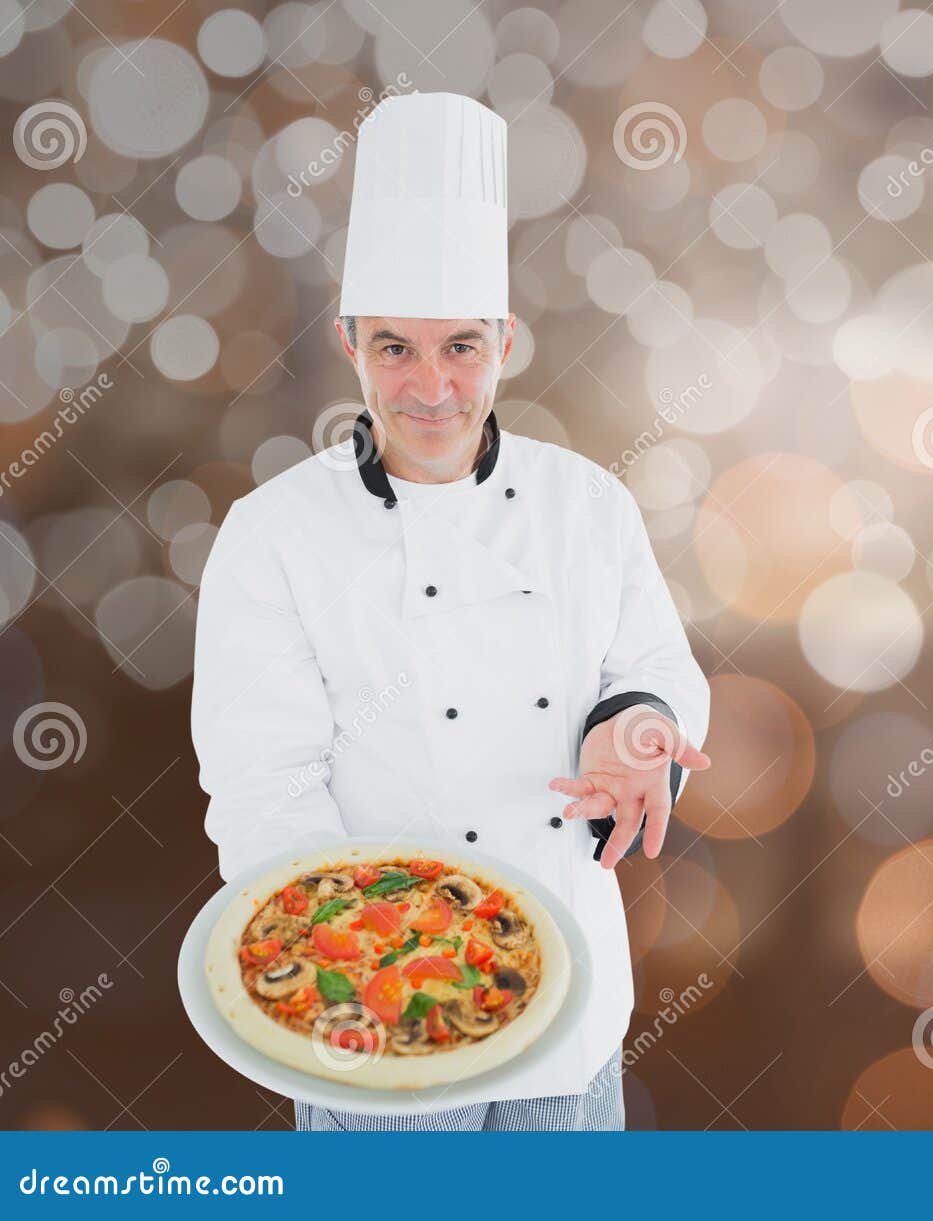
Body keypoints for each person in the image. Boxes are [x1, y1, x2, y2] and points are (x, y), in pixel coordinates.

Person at [190, 91, 711, 1131]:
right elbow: (261, 783)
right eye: (395, 349)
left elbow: (654, 667)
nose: (430, 387)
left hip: (565, 1008)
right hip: (374, 1026)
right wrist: (380, 957)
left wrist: (640, 728)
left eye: (461, 347)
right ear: (348, 344)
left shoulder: (586, 505)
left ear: (507, 341)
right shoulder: (273, 531)